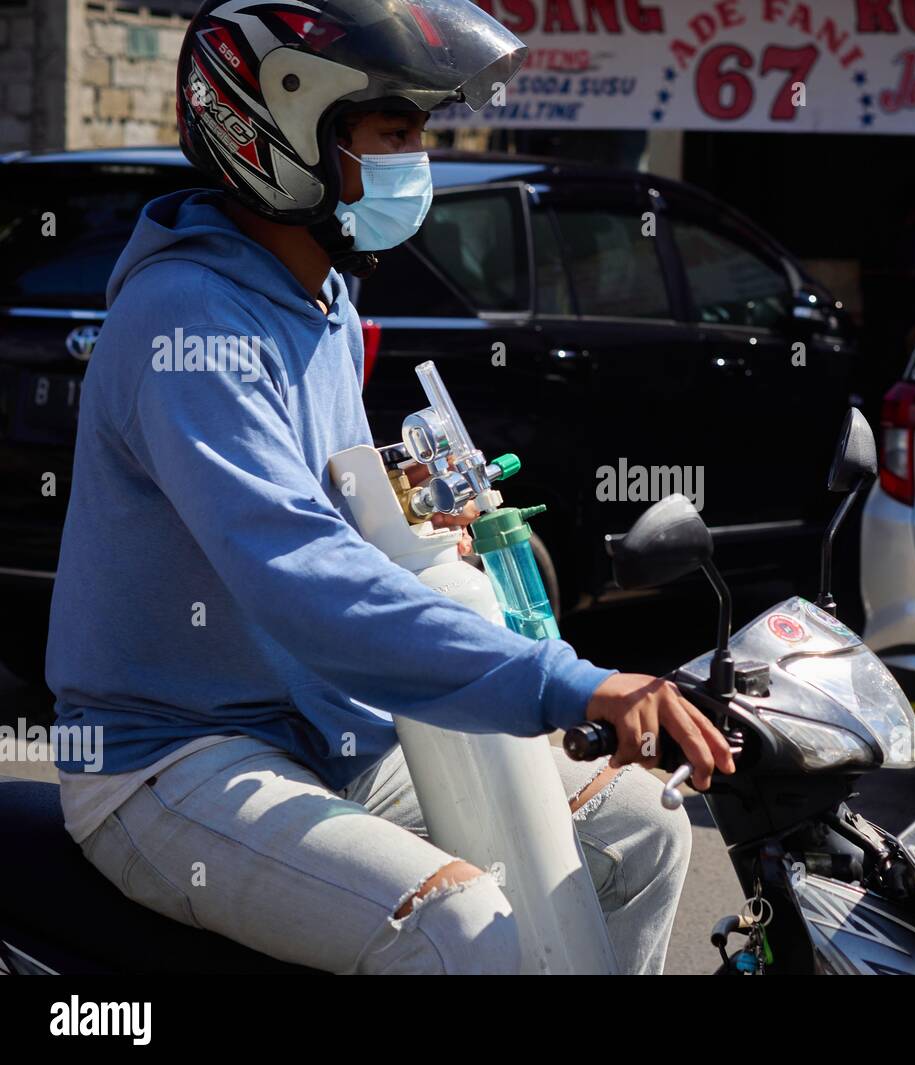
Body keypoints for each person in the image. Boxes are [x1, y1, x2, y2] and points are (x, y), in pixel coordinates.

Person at [46, 0, 733, 975]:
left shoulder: (315, 297)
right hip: (172, 755)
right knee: (461, 933)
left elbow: (328, 516)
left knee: (639, 829)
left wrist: (412, 524)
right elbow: (299, 577)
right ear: (281, 134)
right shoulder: (185, 322)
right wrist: (572, 686)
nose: (419, 163)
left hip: (334, 733)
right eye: (396, 133)